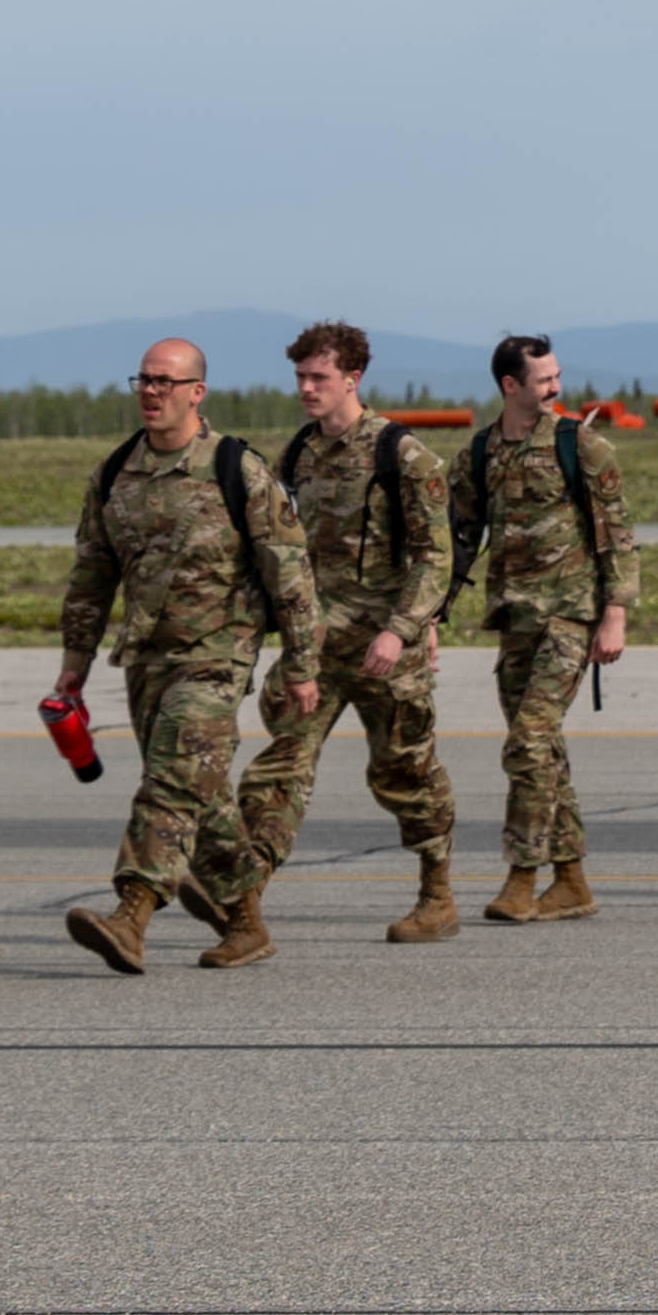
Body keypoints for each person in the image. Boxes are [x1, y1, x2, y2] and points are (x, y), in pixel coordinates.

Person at [48, 338, 324, 972]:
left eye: (165, 382)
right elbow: (91, 575)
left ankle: (132, 913)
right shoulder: (116, 472)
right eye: (142, 380)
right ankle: (245, 921)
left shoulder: (237, 469)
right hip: (146, 660)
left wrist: (303, 665)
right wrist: (75, 661)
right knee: (203, 794)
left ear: (196, 393)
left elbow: (291, 575)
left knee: (171, 783)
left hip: (216, 659)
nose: (151, 391)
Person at [230, 322, 458, 941]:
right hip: (317, 646)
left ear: (351, 380)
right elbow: (279, 545)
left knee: (403, 771)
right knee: (282, 765)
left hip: (386, 647)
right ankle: (243, 905)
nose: (306, 388)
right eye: (300, 377)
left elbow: (436, 558)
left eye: (318, 378)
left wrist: (403, 629)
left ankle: (437, 893)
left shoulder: (404, 456)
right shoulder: (299, 453)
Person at [448, 335, 636, 921]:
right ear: (510, 386)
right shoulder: (479, 452)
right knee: (545, 752)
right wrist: (429, 614)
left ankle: (520, 878)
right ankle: (573, 881)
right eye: (544, 379)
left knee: (527, 743)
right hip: (514, 618)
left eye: (557, 376)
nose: (556, 387)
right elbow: (457, 539)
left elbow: (616, 532)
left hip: (569, 616)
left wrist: (615, 613)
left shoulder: (581, 445)